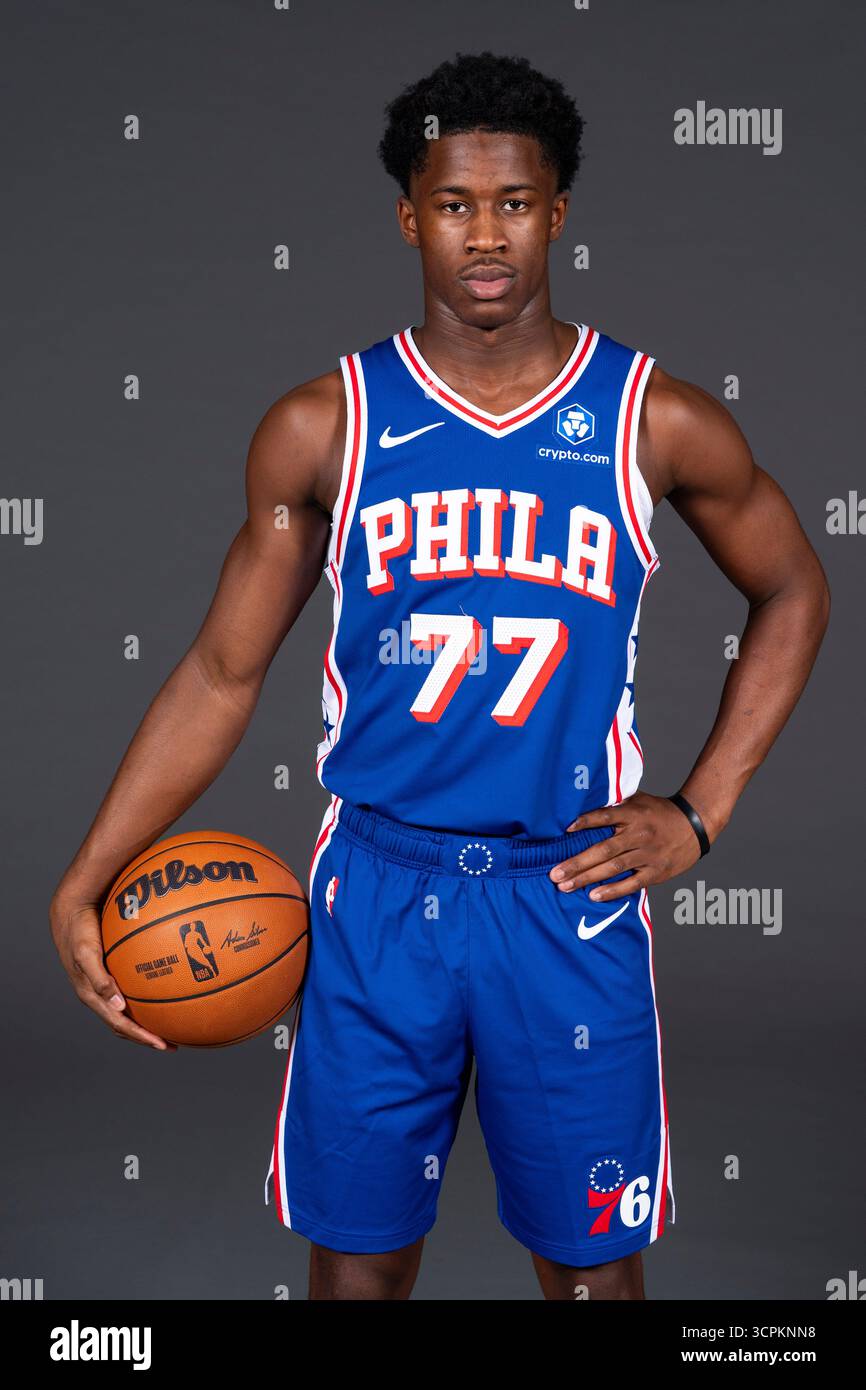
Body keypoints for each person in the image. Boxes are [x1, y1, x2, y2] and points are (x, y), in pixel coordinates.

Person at [50, 52, 829, 1300]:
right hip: (377, 894)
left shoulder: (653, 418)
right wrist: (86, 879)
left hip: (564, 889)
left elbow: (794, 589)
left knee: (591, 1280)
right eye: (455, 203)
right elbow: (217, 672)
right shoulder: (324, 425)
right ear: (408, 215)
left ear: (557, 212)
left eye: (514, 202)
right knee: (357, 1274)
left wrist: (700, 809)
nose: (485, 233)